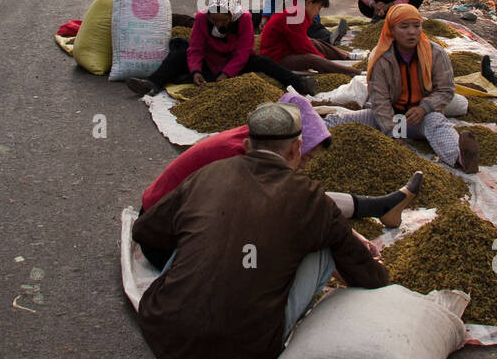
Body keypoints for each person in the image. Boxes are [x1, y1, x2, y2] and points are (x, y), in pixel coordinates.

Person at [133, 102, 391, 359]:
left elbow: (145, 230)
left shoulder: (209, 174)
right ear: (296, 148)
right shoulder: (312, 200)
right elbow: (366, 275)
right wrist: (378, 275)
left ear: (247, 143)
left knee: (199, 230)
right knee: (325, 243)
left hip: (165, 344)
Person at [139, 93, 422, 268]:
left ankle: (378, 207)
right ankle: (377, 208)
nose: (303, 165)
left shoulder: (256, 142)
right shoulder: (241, 159)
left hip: (164, 222)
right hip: (165, 240)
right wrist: (341, 240)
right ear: (292, 146)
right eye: (305, 157)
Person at [324, 4, 480, 173]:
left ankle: (461, 158)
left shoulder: (435, 53)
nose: (412, 32)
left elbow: (446, 89)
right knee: (339, 122)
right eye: (404, 27)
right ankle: (310, 136)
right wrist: (393, 132)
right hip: (390, 116)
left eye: (416, 25)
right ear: (392, 30)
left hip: (421, 119)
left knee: (438, 124)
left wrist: (424, 108)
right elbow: (379, 100)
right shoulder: (381, 58)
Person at [124, 0, 315, 96]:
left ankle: (299, 84)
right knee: (179, 52)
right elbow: (196, 48)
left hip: (235, 62)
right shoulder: (201, 18)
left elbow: (243, 51)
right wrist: (196, 70)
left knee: (263, 62)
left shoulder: (245, 19)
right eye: (214, 20)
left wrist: (226, 73)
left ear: (231, 15)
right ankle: (152, 84)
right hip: (209, 59)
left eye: (223, 20)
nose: (219, 24)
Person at [259, 0, 360, 76]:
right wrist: (322, 60)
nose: (317, 13)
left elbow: (302, 41)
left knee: (314, 42)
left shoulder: (297, 9)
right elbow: (302, 47)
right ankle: (352, 72)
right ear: (309, 2)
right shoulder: (295, 13)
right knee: (313, 59)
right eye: (318, 8)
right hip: (276, 58)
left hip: (286, 49)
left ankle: (347, 56)